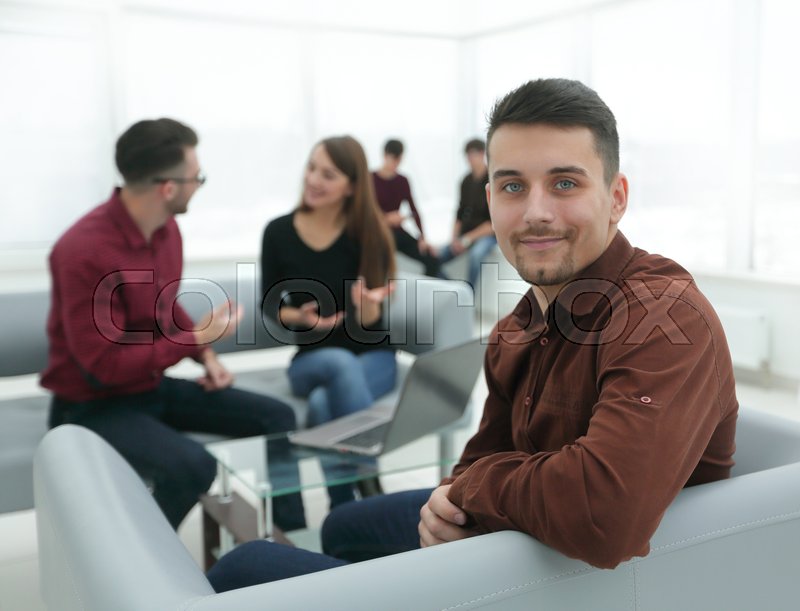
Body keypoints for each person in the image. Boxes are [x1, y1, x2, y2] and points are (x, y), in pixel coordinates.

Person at [207, 78, 738, 591]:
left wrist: (472, 489)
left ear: (617, 198)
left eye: (565, 183)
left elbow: (602, 515)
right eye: (512, 186)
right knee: (346, 526)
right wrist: (452, 497)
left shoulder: (664, 317)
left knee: (244, 567)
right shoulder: (517, 327)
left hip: (575, 581)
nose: (535, 212)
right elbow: (481, 456)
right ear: (489, 200)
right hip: (514, 544)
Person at [41, 118, 306, 531]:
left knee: (278, 418)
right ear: (168, 187)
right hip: (90, 406)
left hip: (148, 389)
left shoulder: (167, 232)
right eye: (196, 177)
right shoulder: (82, 251)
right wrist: (192, 339)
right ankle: (137, 562)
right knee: (193, 467)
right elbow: (104, 366)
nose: (198, 185)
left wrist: (206, 354)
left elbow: (163, 307)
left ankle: (294, 546)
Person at [260, 135, 397, 507]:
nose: (314, 180)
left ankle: (344, 510)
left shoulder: (370, 234)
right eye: (311, 168)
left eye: (329, 174)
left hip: (376, 358)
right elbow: (270, 305)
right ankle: (372, 490)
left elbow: (373, 319)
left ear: (352, 186)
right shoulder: (278, 232)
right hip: (311, 360)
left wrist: (368, 309)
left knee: (323, 405)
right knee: (337, 363)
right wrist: (299, 316)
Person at [371, 139, 441, 277]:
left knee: (432, 259)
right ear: (384, 155)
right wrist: (385, 218)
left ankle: (426, 296)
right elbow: (364, 211)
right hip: (377, 233)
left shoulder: (402, 181)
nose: (396, 163)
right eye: (393, 158)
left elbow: (414, 210)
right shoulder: (370, 179)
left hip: (398, 233)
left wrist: (422, 237)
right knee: (378, 265)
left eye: (399, 159)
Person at [437, 139, 496, 288]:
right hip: (466, 233)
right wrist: (454, 238)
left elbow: (493, 223)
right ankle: (453, 290)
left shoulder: (493, 180)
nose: (469, 159)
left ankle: (468, 296)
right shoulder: (466, 181)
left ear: (482, 154)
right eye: (467, 155)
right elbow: (460, 212)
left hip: (487, 235)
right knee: (436, 257)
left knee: (476, 255)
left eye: (473, 154)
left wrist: (467, 239)